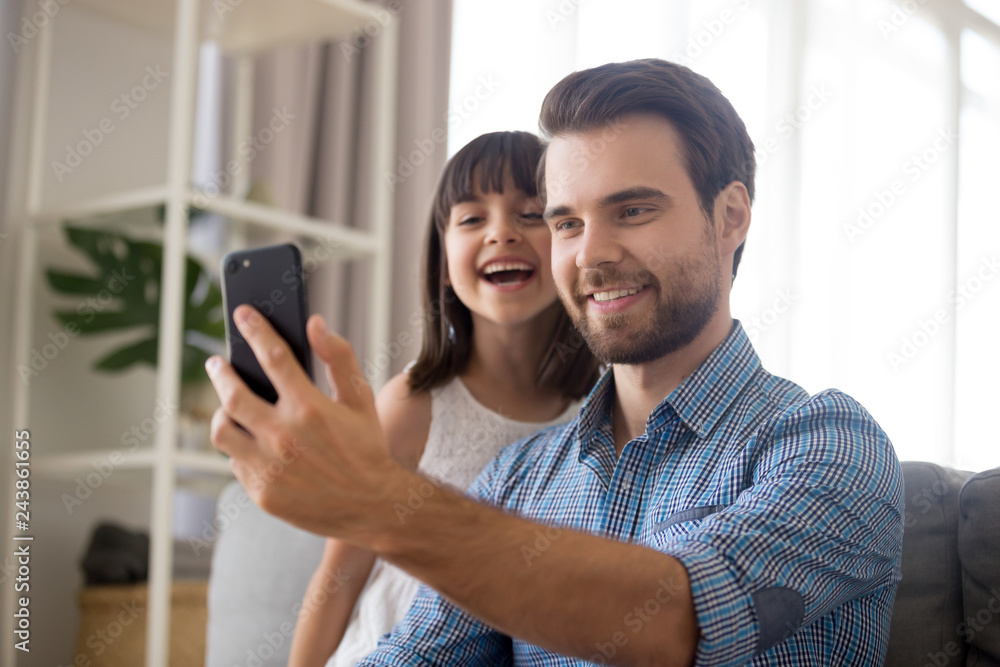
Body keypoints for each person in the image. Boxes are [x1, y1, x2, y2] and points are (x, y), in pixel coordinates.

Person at [205, 59, 904, 666]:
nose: (589, 255)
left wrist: (380, 501)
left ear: (730, 216)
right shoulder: (517, 476)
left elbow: (675, 623)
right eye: (567, 221)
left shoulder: (830, 444)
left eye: (631, 210)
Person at [285, 131, 599, 667]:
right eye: (472, 219)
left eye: (529, 214)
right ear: (443, 256)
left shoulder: (597, 415)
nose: (501, 233)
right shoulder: (415, 402)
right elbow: (340, 575)